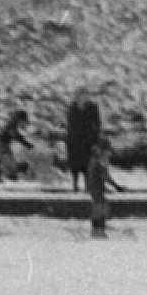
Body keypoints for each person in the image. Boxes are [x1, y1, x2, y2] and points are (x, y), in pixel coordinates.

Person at [65, 90, 110, 237]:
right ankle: (75, 184)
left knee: (87, 165)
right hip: (75, 140)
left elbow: (96, 123)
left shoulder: (92, 108)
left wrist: (95, 136)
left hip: (87, 139)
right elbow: (70, 123)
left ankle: (87, 185)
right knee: (75, 164)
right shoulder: (72, 108)